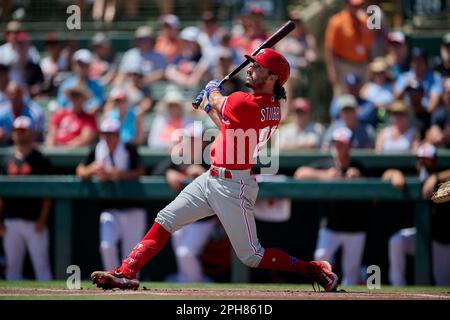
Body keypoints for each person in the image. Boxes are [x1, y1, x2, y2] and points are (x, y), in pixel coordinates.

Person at [91, 48, 339, 291]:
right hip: (212, 177)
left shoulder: (244, 102)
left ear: (273, 77)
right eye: (252, 64)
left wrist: (211, 89)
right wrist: (209, 105)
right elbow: (228, 125)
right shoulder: (269, 106)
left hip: (234, 187)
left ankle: (312, 269)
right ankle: (126, 272)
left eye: (257, 66)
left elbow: (221, 100)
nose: (250, 68)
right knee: (165, 220)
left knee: (252, 255)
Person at [294, 127, 368, 285]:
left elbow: (375, 195)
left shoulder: (358, 166)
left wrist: (359, 177)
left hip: (355, 226)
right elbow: (300, 173)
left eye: (341, 143)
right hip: (330, 226)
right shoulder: (326, 164)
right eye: (335, 143)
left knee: (352, 273)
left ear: (349, 146)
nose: (337, 147)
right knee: (320, 259)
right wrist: (324, 175)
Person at [76, 118, 147, 272]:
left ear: (118, 134)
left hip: (132, 207)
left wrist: (115, 174)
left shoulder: (128, 148)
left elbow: (140, 171)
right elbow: (81, 171)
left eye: (112, 134)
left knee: (133, 254)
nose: (108, 138)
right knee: (106, 245)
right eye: (105, 134)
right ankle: (111, 277)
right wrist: (93, 169)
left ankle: (130, 283)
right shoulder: (97, 149)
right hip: (110, 208)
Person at [153, 123, 221, 283]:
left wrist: (205, 173)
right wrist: (169, 172)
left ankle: (197, 284)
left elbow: (225, 181)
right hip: (182, 215)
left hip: (204, 217)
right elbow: (156, 172)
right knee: (180, 253)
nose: (190, 143)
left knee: (186, 253)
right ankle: (186, 283)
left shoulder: (211, 157)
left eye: (194, 140)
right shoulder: (179, 157)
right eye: (188, 139)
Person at [383, 143, 450, 286]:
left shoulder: (441, 177)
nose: (423, 163)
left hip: (442, 238)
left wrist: (436, 177)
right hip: (420, 235)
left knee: (443, 283)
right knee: (397, 241)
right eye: (420, 159)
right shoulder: (413, 175)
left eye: (427, 159)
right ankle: (398, 285)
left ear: (435, 161)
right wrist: (395, 174)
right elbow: (385, 174)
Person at [0, 116, 52, 280]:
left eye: (24, 131)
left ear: (31, 133)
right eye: (18, 131)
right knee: (12, 270)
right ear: (13, 133)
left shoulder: (40, 159)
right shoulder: (6, 160)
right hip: (10, 221)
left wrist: (42, 219)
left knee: (42, 268)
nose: (21, 134)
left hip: (34, 222)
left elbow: (48, 193)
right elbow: (2, 194)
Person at [325, 0, 375, 95]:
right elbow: (330, 49)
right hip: (344, 65)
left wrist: (370, 66)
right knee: (344, 98)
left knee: (363, 95)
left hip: (362, 65)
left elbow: (369, 46)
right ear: (347, 5)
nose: (357, 8)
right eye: (354, 6)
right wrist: (332, 71)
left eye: (359, 5)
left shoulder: (365, 20)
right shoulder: (337, 21)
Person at [46, 83, 98, 147]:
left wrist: (67, 148)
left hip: (75, 153)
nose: (74, 98)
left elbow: (85, 138)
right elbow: (51, 134)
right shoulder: (60, 114)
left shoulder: (88, 118)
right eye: (72, 95)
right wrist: (52, 147)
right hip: (56, 150)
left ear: (84, 99)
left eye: (78, 96)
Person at [57, 49, 105, 114]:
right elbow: (61, 107)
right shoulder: (66, 85)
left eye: (84, 64)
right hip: (69, 119)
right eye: (78, 64)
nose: (81, 68)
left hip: (88, 120)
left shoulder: (97, 85)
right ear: (73, 65)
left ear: (89, 66)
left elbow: (95, 107)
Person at [0, 81, 44, 146]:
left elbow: (36, 134)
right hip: (6, 145)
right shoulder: (2, 111)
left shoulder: (34, 111)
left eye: (17, 93)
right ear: (7, 95)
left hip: (31, 146)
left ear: (22, 94)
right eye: (11, 94)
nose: (14, 97)